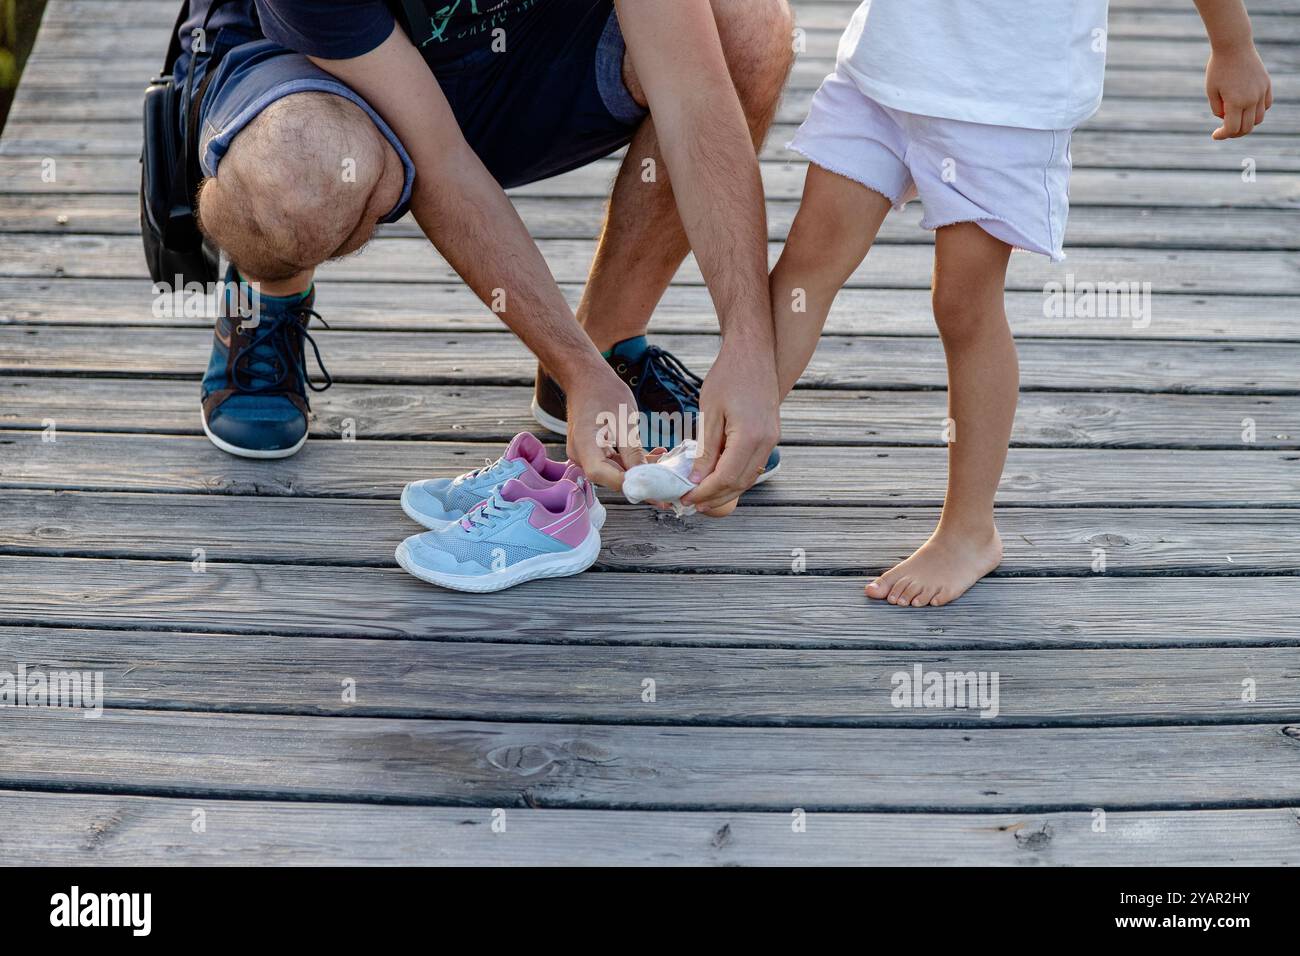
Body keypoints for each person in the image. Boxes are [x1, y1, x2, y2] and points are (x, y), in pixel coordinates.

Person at [174, 0, 787, 515]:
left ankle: (608, 351)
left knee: (745, 29)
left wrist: (749, 344)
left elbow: (694, 92)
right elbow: (440, 161)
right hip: (316, 69)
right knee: (303, 172)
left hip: (510, 47)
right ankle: (269, 293)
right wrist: (571, 364)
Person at [769, 0, 1273, 606]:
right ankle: (732, 444)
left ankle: (969, 531)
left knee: (963, 305)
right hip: (886, 68)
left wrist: (1233, 45)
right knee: (804, 267)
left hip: (1005, 99)